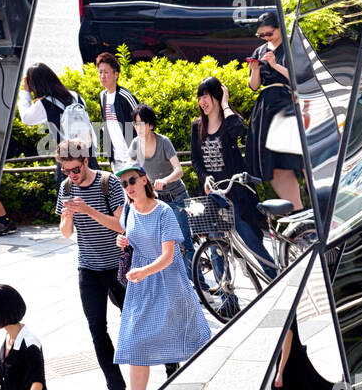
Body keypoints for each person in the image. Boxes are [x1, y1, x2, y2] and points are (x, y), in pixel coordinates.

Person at [113, 162, 210, 390]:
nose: (129, 187)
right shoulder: (128, 209)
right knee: (135, 343)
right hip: (141, 285)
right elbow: (128, 237)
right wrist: (121, 240)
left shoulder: (164, 212)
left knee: (188, 340)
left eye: (132, 181)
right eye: (124, 184)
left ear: (144, 180)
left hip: (169, 281)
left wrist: (144, 271)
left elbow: (168, 256)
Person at [55, 137, 131, 390]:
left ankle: (170, 364)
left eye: (74, 169)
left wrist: (87, 210)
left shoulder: (108, 183)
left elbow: (121, 224)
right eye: (66, 170)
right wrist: (68, 216)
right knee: (98, 332)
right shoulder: (65, 188)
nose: (71, 175)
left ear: (86, 161)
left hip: (118, 265)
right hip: (88, 268)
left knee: (138, 319)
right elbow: (65, 233)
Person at [190, 76, 273, 271]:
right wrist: (205, 179)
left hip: (236, 193)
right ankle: (227, 297)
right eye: (199, 97)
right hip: (215, 196)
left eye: (207, 96)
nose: (202, 102)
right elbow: (196, 160)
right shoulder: (197, 126)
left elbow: (238, 130)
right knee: (215, 246)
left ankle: (273, 274)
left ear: (217, 97)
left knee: (252, 241)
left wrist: (225, 105)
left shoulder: (229, 122)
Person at [246, 13, 306, 208]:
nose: (266, 38)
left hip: (285, 102)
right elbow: (254, 86)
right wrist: (255, 69)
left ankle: (309, 205)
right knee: (274, 162)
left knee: (292, 157)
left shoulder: (290, 47)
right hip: (265, 107)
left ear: (279, 28)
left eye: (269, 33)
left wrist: (274, 65)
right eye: (261, 35)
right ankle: (295, 208)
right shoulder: (259, 50)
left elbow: (297, 79)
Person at [128, 103, 195, 271]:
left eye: (142, 124)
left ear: (150, 125)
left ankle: (199, 284)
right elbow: (131, 173)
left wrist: (164, 180)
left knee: (184, 243)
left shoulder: (163, 142)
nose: (138, 128)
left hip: (177, 197)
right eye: (135, 124)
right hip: (157, 201)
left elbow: (179, 171)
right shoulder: (135, 145)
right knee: (161, 245)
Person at [18, 63, 88, 156]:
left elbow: (26, 118)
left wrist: (25, 92)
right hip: (87, 152)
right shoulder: (75, 96)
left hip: (68, 157)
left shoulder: (46, 103)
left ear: (33, 85)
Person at [94, 52, 140, 168]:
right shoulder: (102, 96)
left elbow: (143, 123)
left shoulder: (125, 96)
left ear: (116, 75)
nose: (102, 76)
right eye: (100, 72)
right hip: (116, 159)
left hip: (133, 158)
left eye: (106, 72)